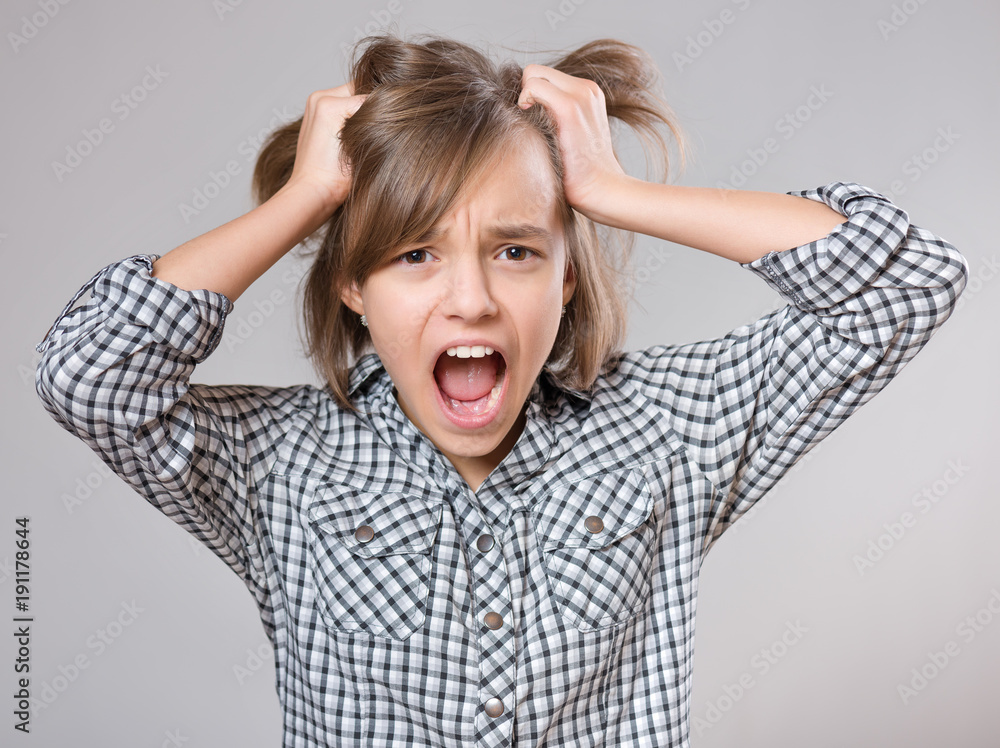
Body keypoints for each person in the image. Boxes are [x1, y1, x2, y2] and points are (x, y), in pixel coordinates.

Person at [34, 32, 968, 748]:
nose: (472, 299)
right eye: (415, 255)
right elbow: (87, 375)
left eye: (516, 250)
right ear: (353, 287)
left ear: (567, 275)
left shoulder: (667, 431)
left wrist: (609, 193)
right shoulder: (276, 463)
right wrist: (304, 202)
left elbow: (906, 285)